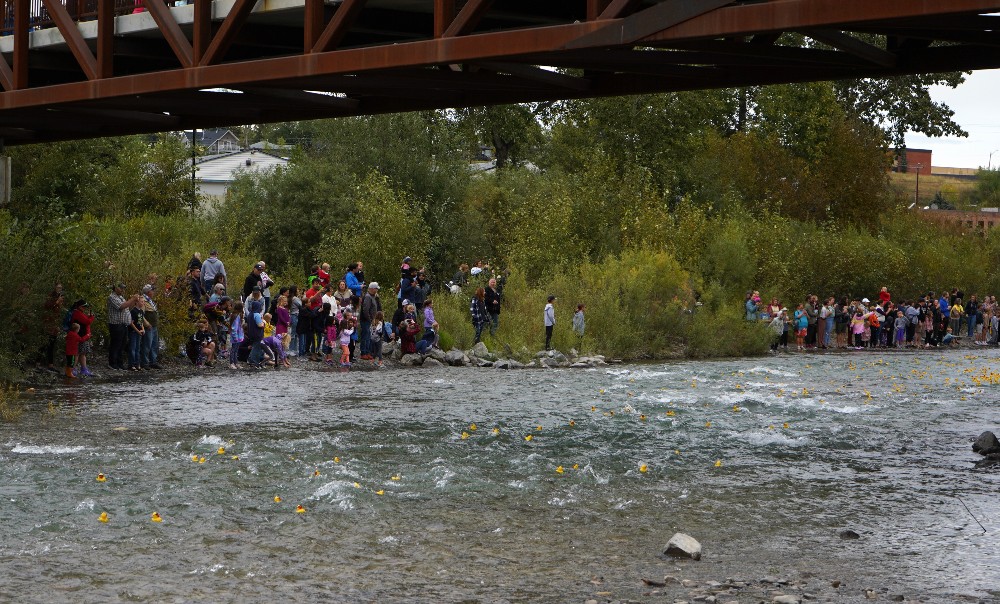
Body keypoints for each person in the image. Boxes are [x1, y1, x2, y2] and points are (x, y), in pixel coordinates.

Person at [108, 283, 141, 370]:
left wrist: (134, 301)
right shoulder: (112, 297)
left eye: (123, 288)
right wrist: (132, 299)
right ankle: (112, 363)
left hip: (124, 324)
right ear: (115, 288)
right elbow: (121, 307)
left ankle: (119, 363)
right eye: (121, 288)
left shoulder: (121, 297)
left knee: (122, 345)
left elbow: (128, 308)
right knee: (116, 344)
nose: (122, 290)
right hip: (116, 324)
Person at [71, 300, 95, 377]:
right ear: (79, 306)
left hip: (84, 337)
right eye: (83, 306)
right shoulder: (76, 313)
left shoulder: (81, 313)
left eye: (85, 306)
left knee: (83, 353)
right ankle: (72, 369)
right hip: (79, 336)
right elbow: (87, 321)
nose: (85, 308)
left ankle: (84, 369)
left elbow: (86, 321)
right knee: (76, 354)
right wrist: (91, 317)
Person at [360, 282, 381, 360]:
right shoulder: (368, 297)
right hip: (366, 320)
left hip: (371, 320)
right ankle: (363, 352)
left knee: (369, 336)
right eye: (376, 289)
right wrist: (370, 320)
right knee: (365, 336)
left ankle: (367, 352)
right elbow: (365, 310)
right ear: (372, 289)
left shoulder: (373, 296)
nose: (377, 290)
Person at [127, 293, 148, 371]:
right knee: (132, 348)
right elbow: (131, 323)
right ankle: (131, 364)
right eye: (141, 301)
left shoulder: (141, 311)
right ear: (137, 302)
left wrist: (143, 329)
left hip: (139, 331)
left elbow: (141, 322)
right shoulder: (133, 311)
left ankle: (137, 364)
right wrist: (137, 331)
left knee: (137, 348)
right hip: (133, 332)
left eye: (143, 302)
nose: (143, 303)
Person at [228, 301, 245, 369]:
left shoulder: (238, 315)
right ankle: (231, 363)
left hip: (239, 336)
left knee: (236, 350)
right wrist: (235, 337)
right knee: (233, 350)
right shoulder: (235, 316)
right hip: (236, 337)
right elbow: (234, 328)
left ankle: (236, 362)